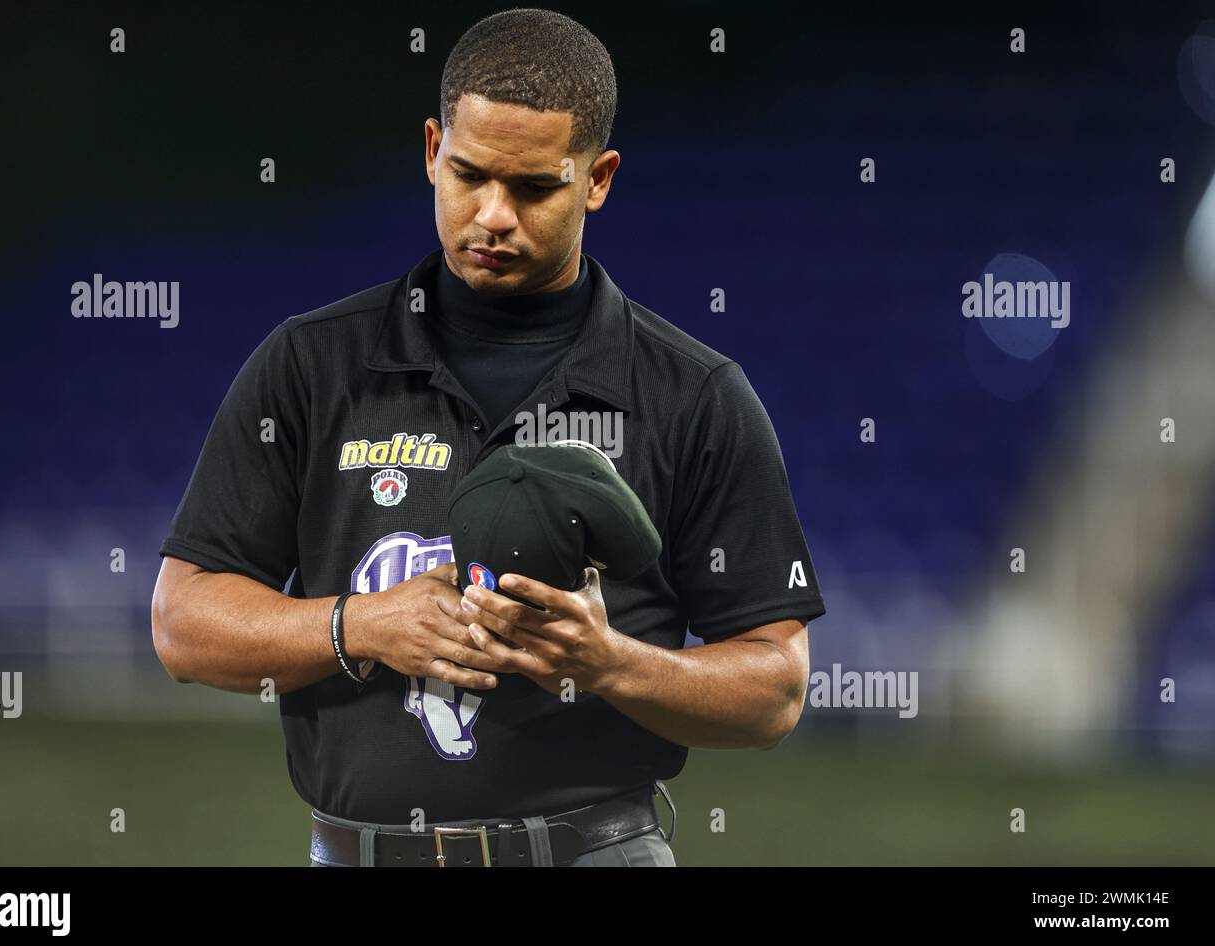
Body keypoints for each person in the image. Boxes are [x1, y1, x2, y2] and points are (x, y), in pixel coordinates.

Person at [150, 7, 826, 867]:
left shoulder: (694, 393)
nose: (494, 215)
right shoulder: (311, 365)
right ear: (432, 150)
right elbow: (183, 625)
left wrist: (609, 662)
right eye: (469, 174)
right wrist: (356, 625)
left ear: (599, 177)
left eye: (535, 187)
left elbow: (774, 689)